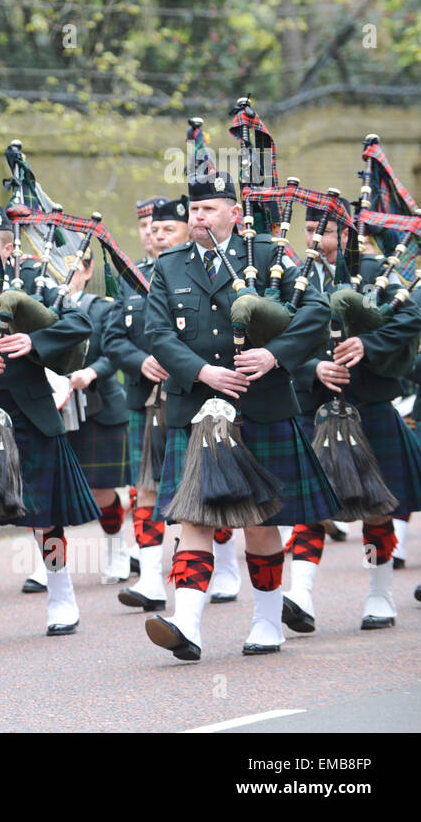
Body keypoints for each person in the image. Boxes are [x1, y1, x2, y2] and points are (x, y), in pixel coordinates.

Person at [143, 172, 338, 660]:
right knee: (195, 516)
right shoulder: (170, 266)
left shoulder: (270, 255)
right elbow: (158, 333)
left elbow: (316, 312)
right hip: (197, 408)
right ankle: (186, 624)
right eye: (194, 209)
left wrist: (275, 355)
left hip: (261, 405)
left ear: (234, 212)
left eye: (209, 208)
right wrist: (203, 372)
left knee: (260, 519)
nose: (198, 217)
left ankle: (268, 621)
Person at [0, 209, 96, 645]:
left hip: (31, 413)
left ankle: (62, 599)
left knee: (45, 516)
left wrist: (34, 341)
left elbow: (81, 325)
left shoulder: (38, 282)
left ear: (9, 248)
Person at [283, 217, 421, 632]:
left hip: (368, 404)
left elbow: (412, 316)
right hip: (315, 407)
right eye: (306, 231)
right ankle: (300, 595)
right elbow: (275, 338)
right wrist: (312, 369)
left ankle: (379, 595)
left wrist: (368, 343)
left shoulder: (376, 271)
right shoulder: (294, 276)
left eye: (320, 231)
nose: (311, 239)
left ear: (345, 234)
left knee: (376, 507)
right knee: (310, 508)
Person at [106, 196, 188, 612]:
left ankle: (225, 571)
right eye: (152, 230)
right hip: (147, 400)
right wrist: (142, 361)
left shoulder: (202, 272)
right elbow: (112, 338)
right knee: (146, 491)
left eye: (167, 229)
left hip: (194, 400)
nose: (156, 235)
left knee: (204, 490)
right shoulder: (133, 277)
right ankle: (152, 580)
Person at [63, 253, 133, 585]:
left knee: (102, 491)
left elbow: (114, 351)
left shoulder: (103, 307)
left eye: (73, 266)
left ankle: (117, 549)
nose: (66, 273)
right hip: (54, 407)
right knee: (49, 492)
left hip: (98, 406)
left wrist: (90, 372)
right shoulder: (43, 303)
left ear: (88, 269)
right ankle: (47, 565)